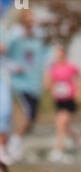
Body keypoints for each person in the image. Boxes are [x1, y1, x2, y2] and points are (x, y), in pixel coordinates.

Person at [7, 10, 49, 144]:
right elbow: (5, 56)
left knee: (33, 118)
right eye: (28, 17)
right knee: (28, 115)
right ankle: (12, 143)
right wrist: (14, 67)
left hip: (35, 83)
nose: (32, 20)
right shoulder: (15, 35)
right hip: (20, 84)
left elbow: (46, 55)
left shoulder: (39, 35)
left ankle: (15, 141)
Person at [45, 44, 81, 162]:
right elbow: (48, 82)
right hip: (59, 100)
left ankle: (59, 150)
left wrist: (79, 93)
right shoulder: (53, 68)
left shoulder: (71, 66)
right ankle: (78, 139)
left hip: (69, 99)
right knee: (63, 126)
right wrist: (51, 89)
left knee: (61, 124)